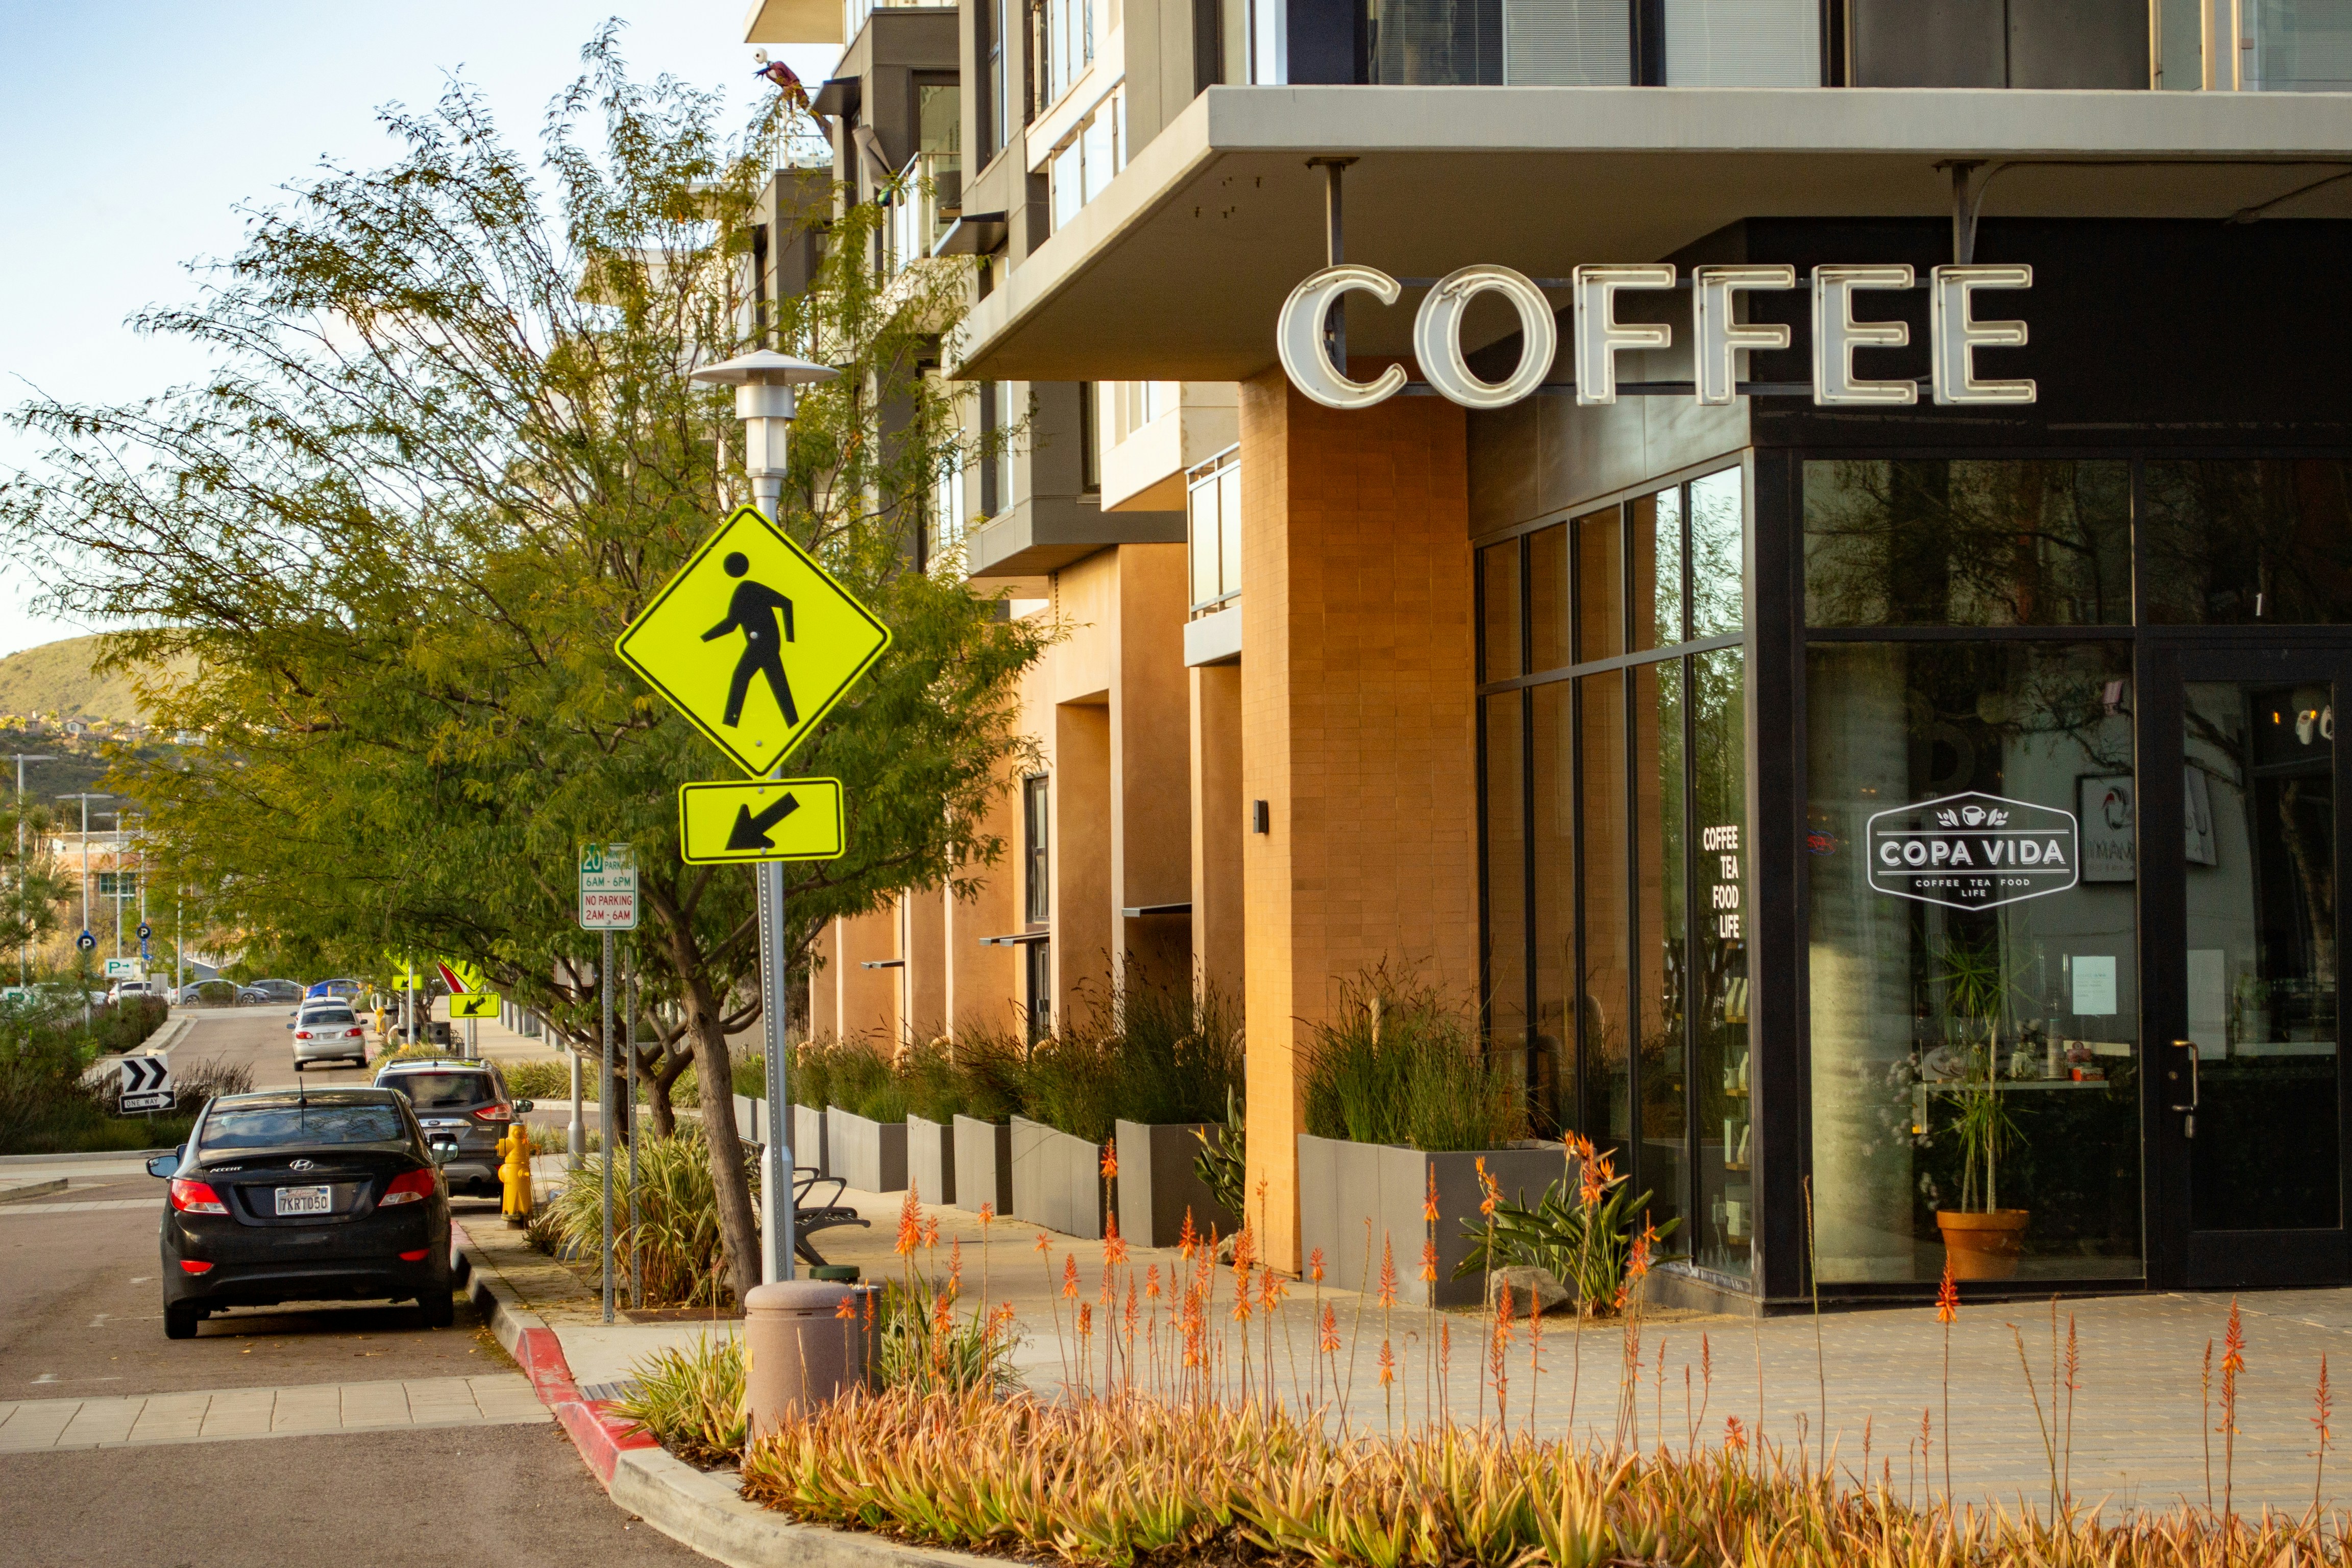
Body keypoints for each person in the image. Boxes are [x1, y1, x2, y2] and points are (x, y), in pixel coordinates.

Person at [701, 552, 799, 727]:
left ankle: (730, 723)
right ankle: (793, 722)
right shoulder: (746, 589)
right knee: (779, 685)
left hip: (763, 644)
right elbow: (732, 625)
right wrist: (705, 638)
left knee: (741, 676)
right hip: (766, 644)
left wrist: (791, 639)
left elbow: (787, 603)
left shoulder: (747, 589)